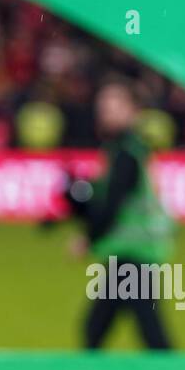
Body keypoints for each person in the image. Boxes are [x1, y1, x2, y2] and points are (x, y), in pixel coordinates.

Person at [73, 79, 176, 350]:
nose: (106, 109)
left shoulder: (125, 152)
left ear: (133, 110)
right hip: (134, 252)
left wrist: (89, 238)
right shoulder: (128, 149)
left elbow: (112, 203)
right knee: (101, 327)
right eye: (103, 104)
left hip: (133, 253)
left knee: (141, 331)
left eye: (114, 104)